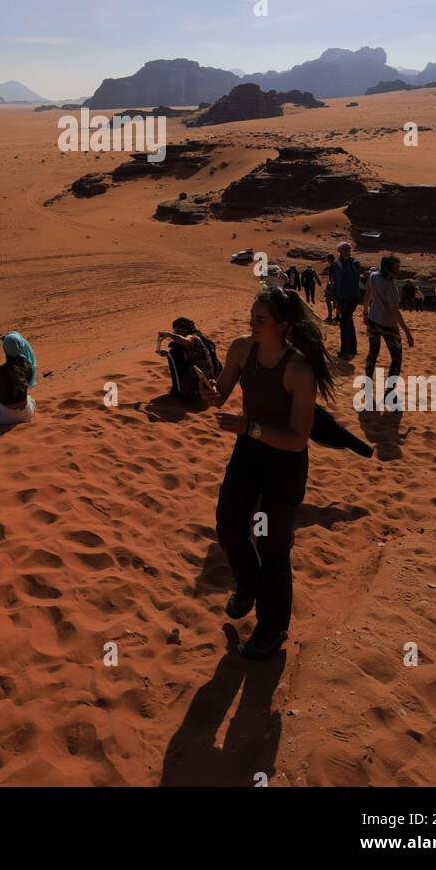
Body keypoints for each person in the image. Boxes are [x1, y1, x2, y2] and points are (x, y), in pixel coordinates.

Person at [203, 287, 335, 660]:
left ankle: (273, 627)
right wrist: (210, 393)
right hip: (248, 454)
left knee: (272, 547)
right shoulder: (242, 348)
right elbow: (222, 391)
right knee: (228, 526)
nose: (253, 324)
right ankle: (249, 586)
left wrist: (250, 429)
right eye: (251, 317)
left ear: (284, 325)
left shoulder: (298, 370)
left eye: (261, 320)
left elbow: (297, 440)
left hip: (284, 465)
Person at [363, 255, 413, 389]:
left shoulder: (373, 276)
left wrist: (365, 313)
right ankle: (390, 392)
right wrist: (408, 333)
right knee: (396, 358)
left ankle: (366, 382)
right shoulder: (391, 286)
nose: (398, 271)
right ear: (386, 268)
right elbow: (395, 312)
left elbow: (367, 295)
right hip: (388, 325)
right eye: (395, 268)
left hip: (373, 320)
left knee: (372, 352)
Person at [157, 318, 221, 400]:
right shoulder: (199, 338)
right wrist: (167, 354)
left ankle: (180, 393)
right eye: (175, 331)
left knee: (174, 353)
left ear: (186, 330)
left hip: (203, 375)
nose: (176, 333)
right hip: (206, 375)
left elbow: (185, 341)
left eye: (178, 330)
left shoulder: (193, 337)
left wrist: (169, 334)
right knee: (173, 353)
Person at [0, 331, 38, 424]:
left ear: (5, 350)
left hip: (3, 418)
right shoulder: (27, 365)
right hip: (26, 415)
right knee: (28, 398)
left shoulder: (0, 371)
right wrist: (9, 340)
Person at [333, 242, 361, 360]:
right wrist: (335, 297)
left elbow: (353, 275)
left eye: (348, 249)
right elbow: (336, 281)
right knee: (347, 321)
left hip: (352, 297)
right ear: (340, 251)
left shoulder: (355, 263)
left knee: (345, 322)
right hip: (341, 297)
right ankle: (352, 348)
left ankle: (345, 349)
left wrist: (348, 261)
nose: (347, 251)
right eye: (344, 250)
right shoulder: (337, 263)